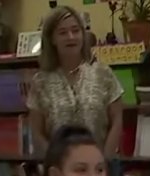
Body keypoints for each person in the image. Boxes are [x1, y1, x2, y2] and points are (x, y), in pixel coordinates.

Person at [27, 6, 124, 156]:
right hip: (58, 165)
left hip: (100, 163)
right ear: (52, 39)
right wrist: (56, 163)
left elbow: (117, 121)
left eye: (76, 30)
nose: (71, 37)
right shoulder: (41, 82)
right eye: (63, 33)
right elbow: (37, 132)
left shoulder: (103, 74)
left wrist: (103, 162)